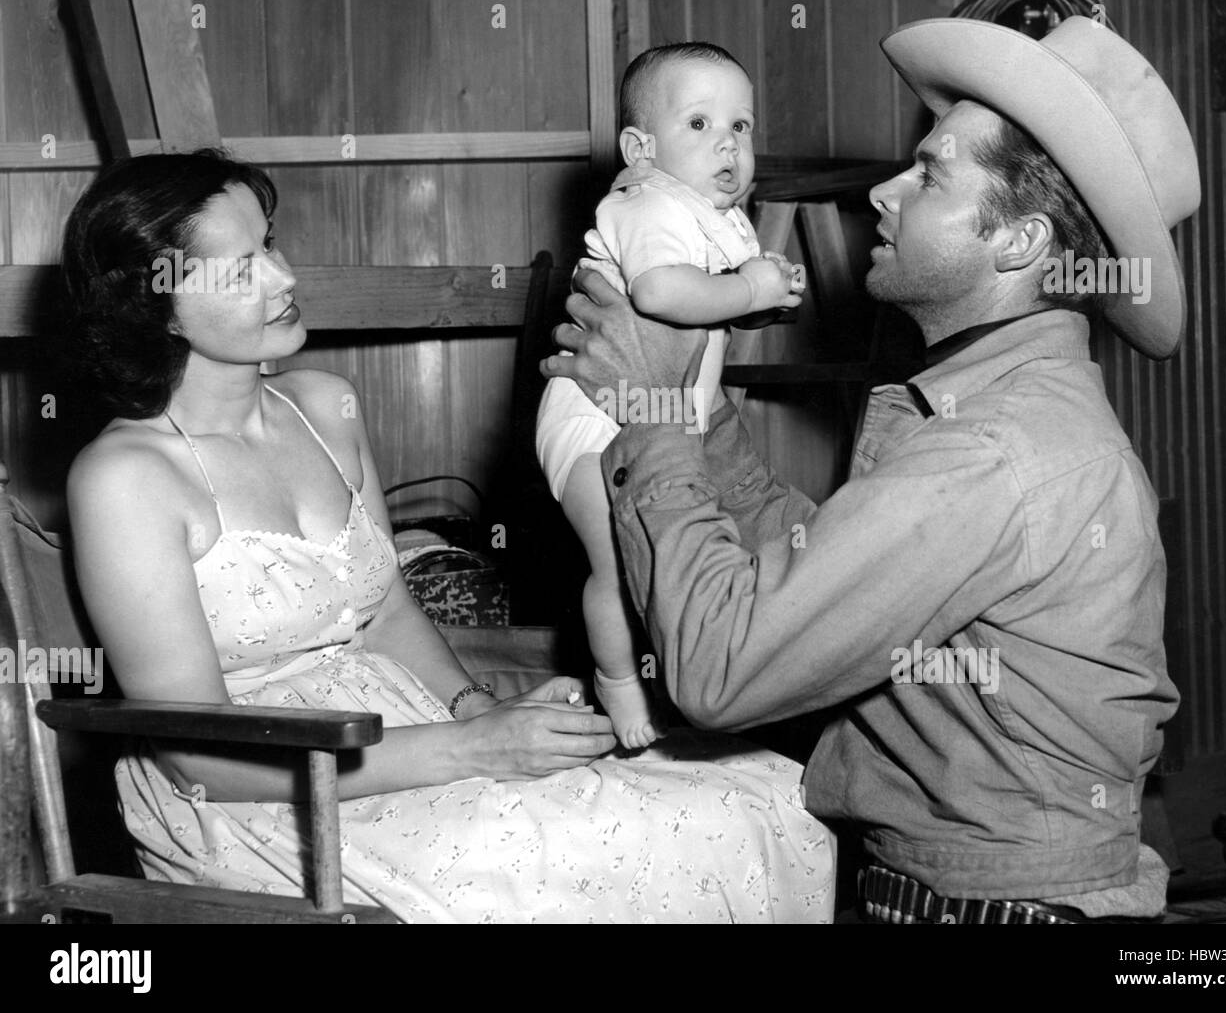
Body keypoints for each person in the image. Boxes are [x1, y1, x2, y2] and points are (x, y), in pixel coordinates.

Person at [60, 149, 835, 924]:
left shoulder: (325, 407)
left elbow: (389, 612)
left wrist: (476, 707)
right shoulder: (123, 480)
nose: (284, 275)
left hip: (403, 730)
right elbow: (199, 754)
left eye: (270, 242)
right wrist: (473, 749)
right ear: (152, 304)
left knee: (766, 791)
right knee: (617, 843)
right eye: (240, 269)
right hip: (260, 798)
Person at [544, 16, 1201, 923]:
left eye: (929, 173)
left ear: (1019, 244)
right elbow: (821, 572)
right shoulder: (995, 410)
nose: (883, 194)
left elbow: (720, 668)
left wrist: (652, 414)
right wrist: (688, 397)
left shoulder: (993, 452)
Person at [536, 42, 803, 748]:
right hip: (594, 413)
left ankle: (669, 680)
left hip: (664, 412)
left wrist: (761, 294)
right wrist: (748, 288)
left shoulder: (721, 214)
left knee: (668, 555)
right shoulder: (647, 201)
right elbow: (660, 291)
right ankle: (619, 688)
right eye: (699, 123)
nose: (727, 142)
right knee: (622, 561)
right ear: (640, 147)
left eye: (741, 127)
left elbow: (709, 303)